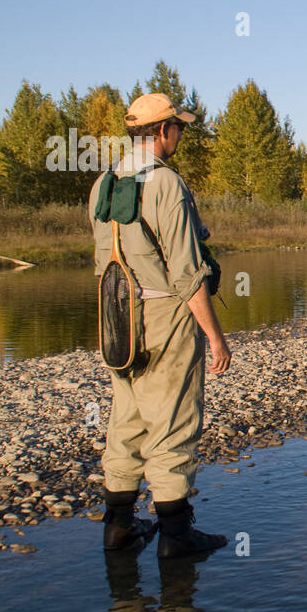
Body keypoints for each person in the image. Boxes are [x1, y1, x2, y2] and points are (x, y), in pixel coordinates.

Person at [89, 92, 232, 558]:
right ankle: (176, 539)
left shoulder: (103, 183)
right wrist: (215, 337)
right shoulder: (167, 184)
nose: (181, 135)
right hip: (163, 315)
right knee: (173, 422)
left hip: (115, 313)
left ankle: (119, 529)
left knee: (126, 419)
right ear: (164, 131)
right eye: (179, 128)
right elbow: (188, 275)